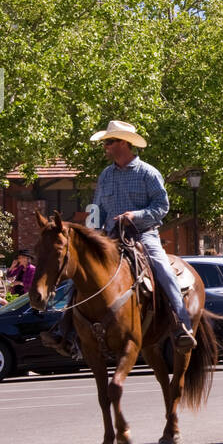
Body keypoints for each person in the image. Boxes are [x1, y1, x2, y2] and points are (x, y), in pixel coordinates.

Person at [89, 120, 196, 351]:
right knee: (81, 269)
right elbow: (97, 209)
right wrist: (92, 234)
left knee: (163, 270)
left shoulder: (148, 173)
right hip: (110, 237)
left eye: (109, 142)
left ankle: (181, 325)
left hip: (143, 235)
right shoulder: (105, 175)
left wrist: (135, 215)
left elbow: (162, 206)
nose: (105, 147)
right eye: (105, 142)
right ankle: (66, 330)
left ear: (123, 143)